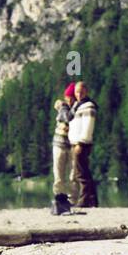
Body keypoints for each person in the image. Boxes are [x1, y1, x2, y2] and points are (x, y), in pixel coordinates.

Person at [68, 80, 98, 208]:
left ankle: (84, 200)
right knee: (83, 170)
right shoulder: (78, 105)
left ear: (86, 91)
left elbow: (88, 126)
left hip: (82, 143)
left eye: (81, 91)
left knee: (81, 173)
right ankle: (92, 199)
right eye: (77, 92)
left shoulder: (88, 106)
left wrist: (81, 142)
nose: (78, 94)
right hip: (75, 143)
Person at [51, 83, 76, 215]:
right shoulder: (63, 108)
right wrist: (64, 105)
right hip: (59, 144)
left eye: (71, 97)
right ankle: (59, 199)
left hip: (71, 145)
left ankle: (71, 202)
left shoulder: (72, 107)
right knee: (59, 174)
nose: (69, 100)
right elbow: (67, 117)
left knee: (73, 175)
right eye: (67, 97)